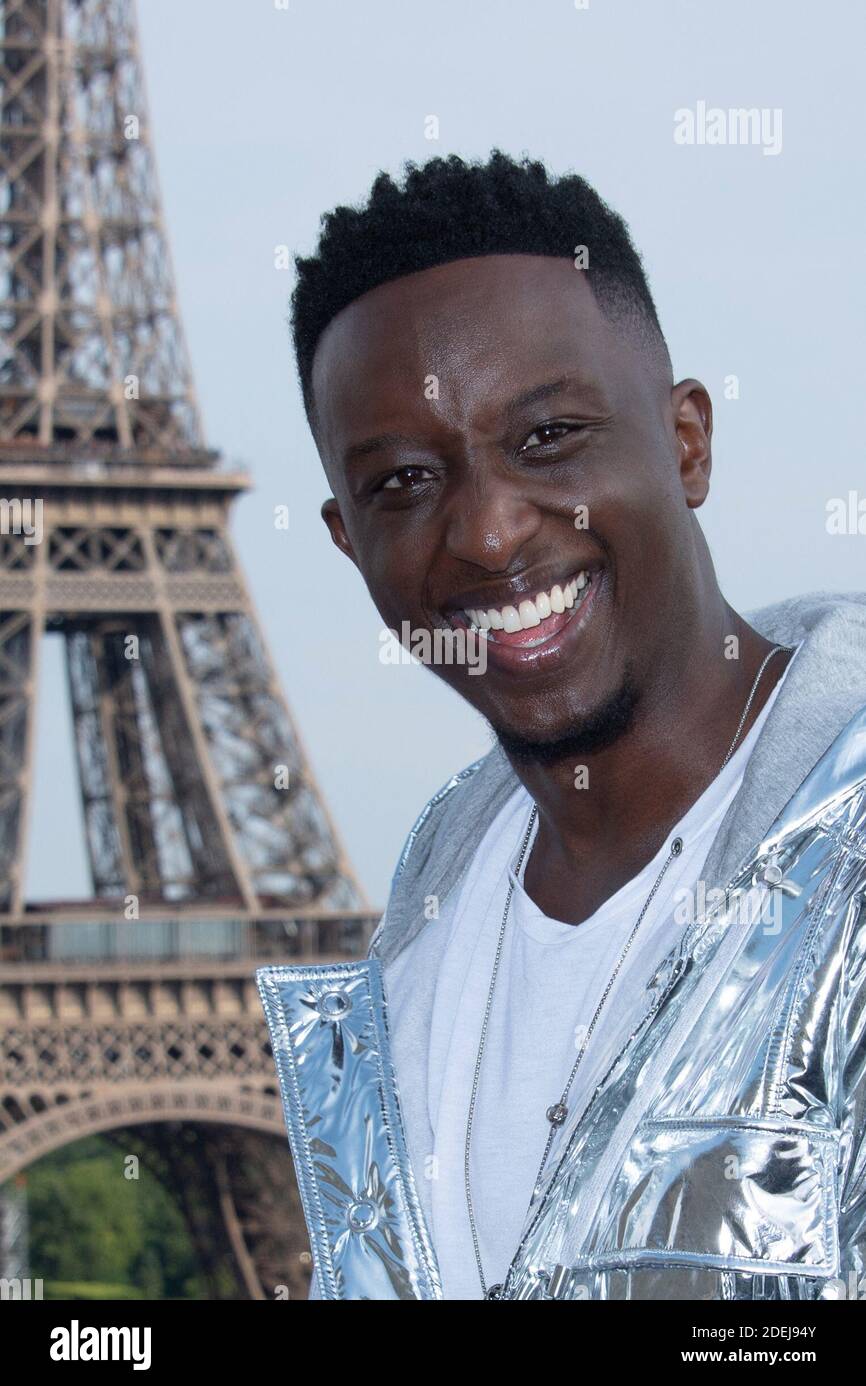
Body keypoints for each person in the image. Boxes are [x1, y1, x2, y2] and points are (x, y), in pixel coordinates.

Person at [258, 152, 866, 1301]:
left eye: (547, 438)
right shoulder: (425, 932)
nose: (487, 531)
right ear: (346, 539)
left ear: (684, 442)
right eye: (403, 482)